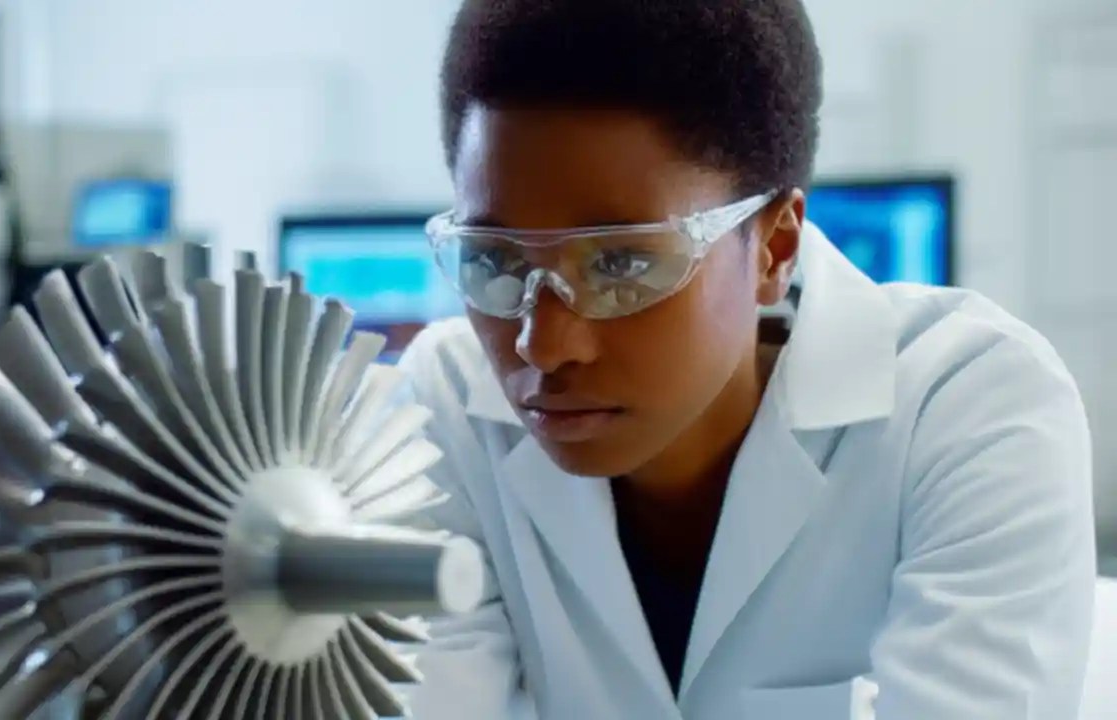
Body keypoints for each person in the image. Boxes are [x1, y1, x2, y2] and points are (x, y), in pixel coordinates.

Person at [395, 0, 1097, 718]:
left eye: (621, 262)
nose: (542, 344)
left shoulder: (969, 403)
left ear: (775, 247)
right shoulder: (445, 407)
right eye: (493, 259)